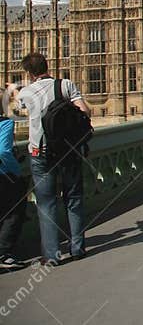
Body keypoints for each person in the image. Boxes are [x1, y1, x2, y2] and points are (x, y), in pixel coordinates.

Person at [20, 52, 91, 263]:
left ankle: (51, 255)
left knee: (47, 203)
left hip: (40, 153)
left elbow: (20, 109)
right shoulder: (65, 85)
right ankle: (77, 248)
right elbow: (85, 111)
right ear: (47, 66)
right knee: (74, 198)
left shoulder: (26, 92)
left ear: (30, 73)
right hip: (68, 150)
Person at [0, 91, 27, 269]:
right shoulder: (5, 123)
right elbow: (3, 152)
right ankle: (3, 255)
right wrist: (16, 172)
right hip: (4, 176)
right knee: (14, 211)